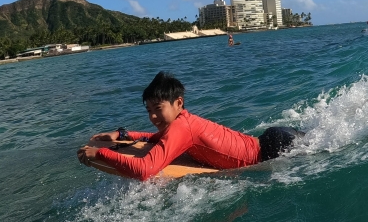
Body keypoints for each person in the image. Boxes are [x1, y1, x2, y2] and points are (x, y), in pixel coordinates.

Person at [77, 71, 303, 180]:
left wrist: (100, 153)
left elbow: (145, 170)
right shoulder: (182, 122)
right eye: (148, 111)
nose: (153, 117)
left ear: (178, 103)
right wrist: (122, 134)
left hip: (275, 150)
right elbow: (156, 138)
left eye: (158, 109)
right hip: (271, 139)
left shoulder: (180, 128)